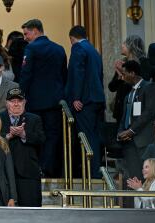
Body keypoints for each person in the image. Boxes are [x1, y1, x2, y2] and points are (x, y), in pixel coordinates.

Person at [20, 19, 67, 177]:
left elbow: (26, 75)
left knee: (34, 135)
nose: (25, 37)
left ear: (35, 31)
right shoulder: (59, 49)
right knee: (53, 136)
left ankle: (37, 168)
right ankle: (49, 169)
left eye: (26, 33)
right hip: (55, 102)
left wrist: (21, 96)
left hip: (35, 102)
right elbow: (63, 76)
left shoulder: (31, 48)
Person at [65, 25, 105, 178]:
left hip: (84, 101)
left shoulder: (78, 48)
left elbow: (77, 73)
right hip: (96, 99)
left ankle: (92, 172)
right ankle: (95, 170)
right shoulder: (94, 50)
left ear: (72, 38)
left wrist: (76, 97)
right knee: (93, 135)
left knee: (86, 137)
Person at [0, 88, 45, 207]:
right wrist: (8, 136)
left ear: (25, 102)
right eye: (12, 100)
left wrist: (23, 134)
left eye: (19, 101)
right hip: (3, 175)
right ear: (6, 103)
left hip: (28, 175)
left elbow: (41, 140)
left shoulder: (34, 119)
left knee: (31, 213)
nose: (15, 104)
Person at [117, 60, 155, 182]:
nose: (122, 78)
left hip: (143, 140)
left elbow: (149, 113)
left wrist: (131, 131)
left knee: (148, 177)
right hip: (129, 143)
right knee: (134, 178)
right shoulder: (129, 94)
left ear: (132, 73)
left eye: (124, 74)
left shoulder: (149, 87)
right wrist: (120, 133)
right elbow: (124, 118)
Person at [109, 35, 150, 124]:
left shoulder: (144, 62)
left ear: (131, 46)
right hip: (121, 108)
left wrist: (123, 73)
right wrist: (119, 75)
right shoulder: (124, 62)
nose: (122, 45)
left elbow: (141, 84)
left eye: (125, 43)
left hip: (136, 106)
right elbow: (111, 87)